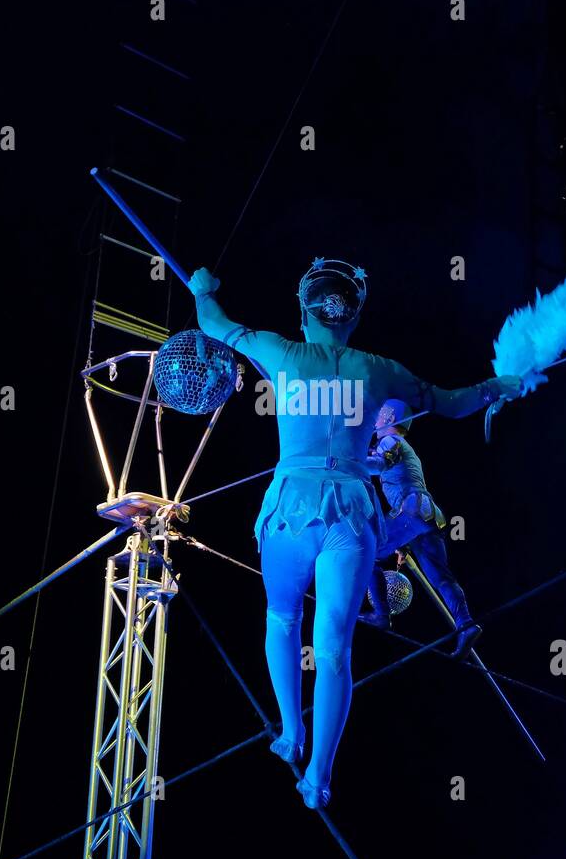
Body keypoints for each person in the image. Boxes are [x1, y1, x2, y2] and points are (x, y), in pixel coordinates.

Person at [188, 258, 522, 810]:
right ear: (355, 313)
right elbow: (454, 402)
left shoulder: (282, 352)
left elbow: (215, 324)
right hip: (350, 515)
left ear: (303, 309)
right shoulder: (380, 370)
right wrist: (499, 386)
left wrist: (203, 288)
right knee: (335, 649)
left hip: (291, 507)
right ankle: (319, 777)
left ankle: (292, 733)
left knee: (281, 618)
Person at [363, 400, 481, 657]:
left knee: (367, 552)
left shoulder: (390, 441)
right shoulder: (408, 448)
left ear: (390, 417)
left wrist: (349, 463)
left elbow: (379, 464)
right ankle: (466, 624)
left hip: (412, 510)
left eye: (380, 414)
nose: (376, 419)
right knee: (441, 577)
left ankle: (382, 615)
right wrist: (402, 543)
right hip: (427, 515)